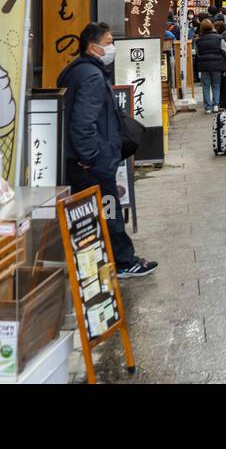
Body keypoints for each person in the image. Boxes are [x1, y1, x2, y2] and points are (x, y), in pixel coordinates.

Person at [58, 23, 157, 278]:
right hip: (91, 163)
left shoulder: (73, 71)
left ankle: (97, 262)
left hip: (77, 159)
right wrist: (92, 157)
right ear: (94, 47)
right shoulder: (91, 76)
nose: (112, 47)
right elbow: (82, 122)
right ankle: (123, 262)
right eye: (109, 42)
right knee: (108, 211)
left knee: (91, 215)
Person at [194, 18, 226, 113]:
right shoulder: (218, 38)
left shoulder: (198, 40)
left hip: (204, 65)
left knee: (206, 86)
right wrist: (223, 59)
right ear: (211, 26)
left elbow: (198, 53)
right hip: (217, 65)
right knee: (216, 85)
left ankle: (207, 107)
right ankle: (216, 105)